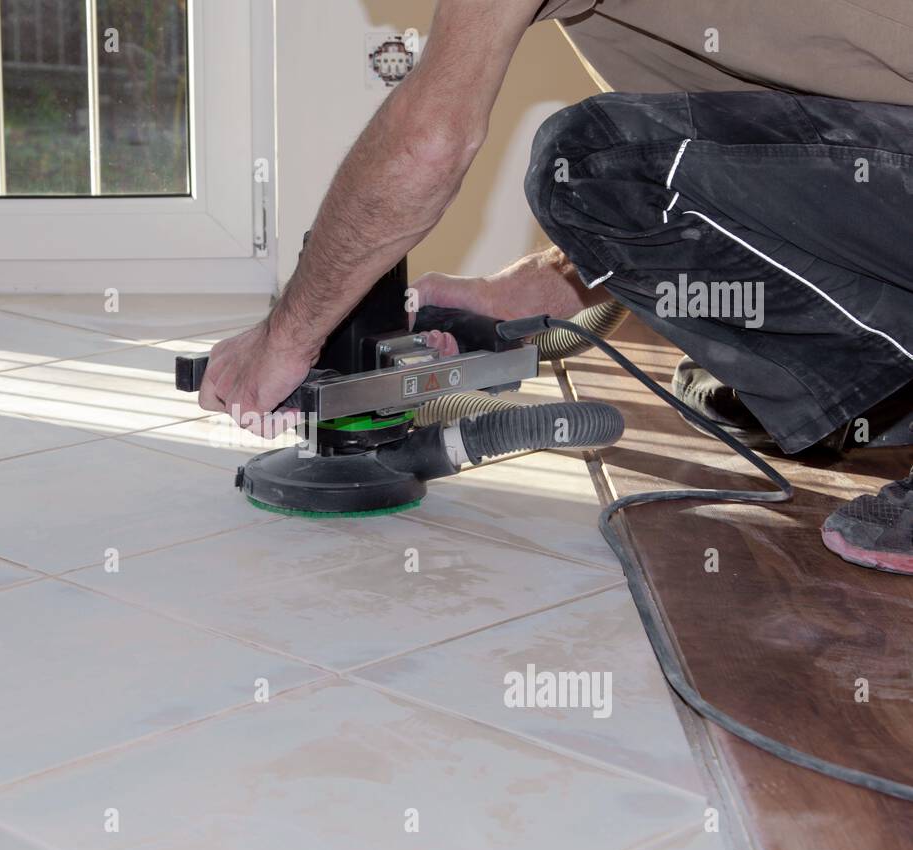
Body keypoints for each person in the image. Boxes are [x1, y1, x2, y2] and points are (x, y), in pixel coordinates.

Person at [197, 0, 913, 575]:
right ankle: (895, 390)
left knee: (586, 158)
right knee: (739, 375)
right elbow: (749, 166)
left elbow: (429, 139)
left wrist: (288, 335)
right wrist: (540, 285)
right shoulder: (610, 19)